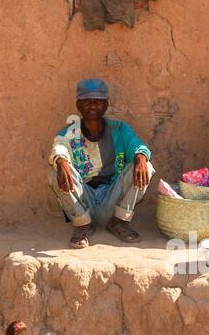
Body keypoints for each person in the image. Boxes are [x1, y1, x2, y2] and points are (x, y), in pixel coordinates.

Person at [48, 78, 154, 249]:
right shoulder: (69, 132)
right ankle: (83, 225)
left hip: (113, 199)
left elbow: (137, 145)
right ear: (79, 105)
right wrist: (61, 161)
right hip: (83, 201)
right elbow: (59, 146)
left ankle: (118, 222)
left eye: (98, 101)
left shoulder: (119, 129)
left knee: (145, 166)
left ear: (105, 105)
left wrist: (141, 156)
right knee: (55, 171)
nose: (92, 105)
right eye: (87, 101)